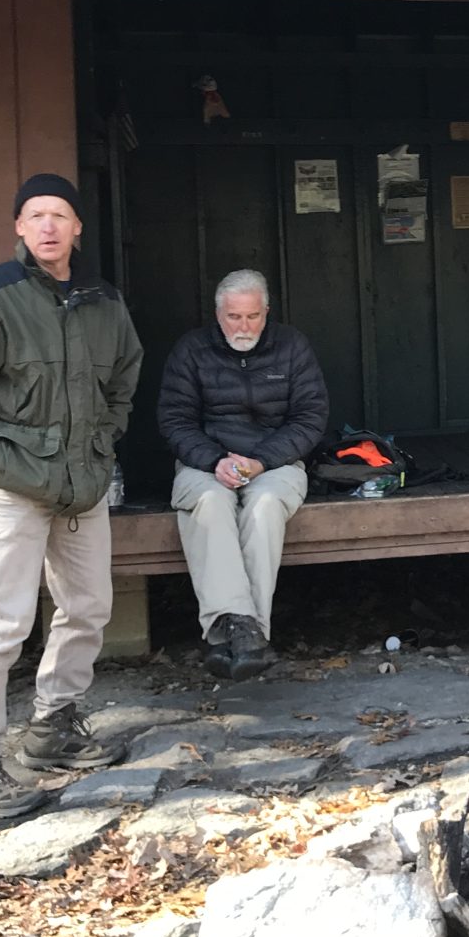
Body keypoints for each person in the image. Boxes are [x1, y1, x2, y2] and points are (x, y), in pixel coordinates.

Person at [0, 173, 143, 818]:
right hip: (14, 486)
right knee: (3, 621)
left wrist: (105, 439)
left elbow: (124, 376)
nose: (48, 226)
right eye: (36, 215)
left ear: (77, 229)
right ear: (19, 227)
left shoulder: (104, 301)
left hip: (84, 484)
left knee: (89, 607)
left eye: (60, 215)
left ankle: (53, 729)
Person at [158, 269, 329, 680]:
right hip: (205, 463)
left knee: (265, 506)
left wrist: (262, 462)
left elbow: (310, 419)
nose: (244, 326)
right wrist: (214, 459)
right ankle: (250, 637)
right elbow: (175, 421)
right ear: (218, 314)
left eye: (253, 316)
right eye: (234, 317)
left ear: (266, 311)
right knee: (211, 503)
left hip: (276, 462)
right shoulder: (191, 350)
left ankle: (231, 635)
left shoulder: (292, 346)